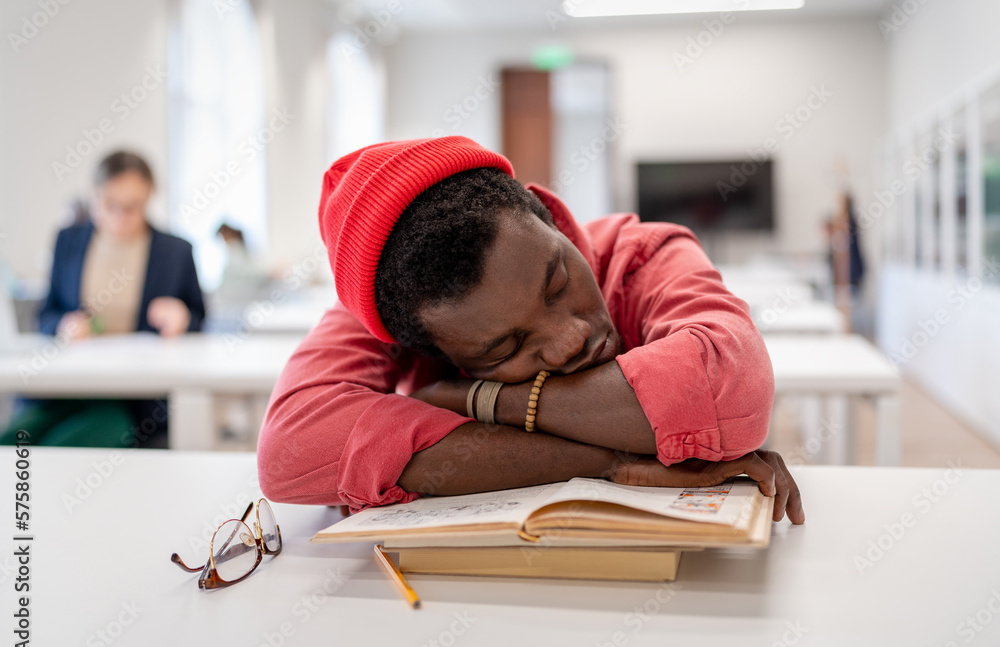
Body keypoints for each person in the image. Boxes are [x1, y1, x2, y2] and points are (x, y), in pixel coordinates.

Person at [257, 137, 804, 524]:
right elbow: (290, 452)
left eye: (559, 281)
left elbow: (730, 389)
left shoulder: (646, 253)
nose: (570, 340)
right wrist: (614, 460)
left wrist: (482, 399)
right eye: (506, 347)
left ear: (550, 218)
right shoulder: (391, 306)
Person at [1, 150, 205, 447]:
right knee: (13, 440)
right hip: (67, 385)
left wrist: (182, 317)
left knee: (66, 447)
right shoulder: (68, 241)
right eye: (111, 205)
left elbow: (199, 318)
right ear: (95, 196)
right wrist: (63, 326)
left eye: (133, 206)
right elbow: (46, 314)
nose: (121, 217)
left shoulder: (176, 251)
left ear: (150, 196)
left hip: (132, 396)